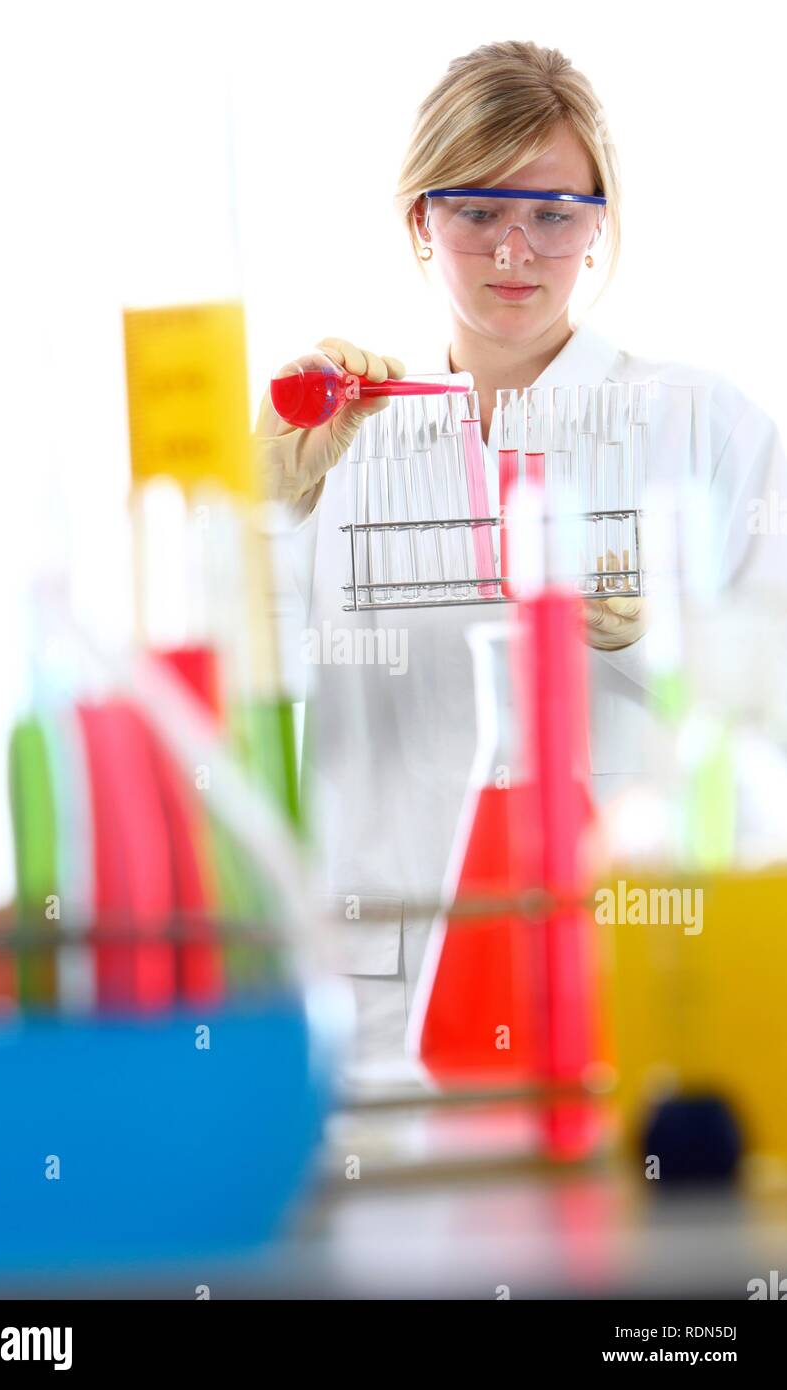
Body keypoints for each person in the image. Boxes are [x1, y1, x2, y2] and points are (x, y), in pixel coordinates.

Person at [253, 40, 787, 1083]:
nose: (514, 252)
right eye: (476, 211)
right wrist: (261, 505)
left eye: (552, 214)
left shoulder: (700, 422)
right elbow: (232, 717)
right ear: (419, 220)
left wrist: (661, 634)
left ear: (598, 225)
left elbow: (768, 705)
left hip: (634, 969)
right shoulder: (340, 443)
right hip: (383, 1007)